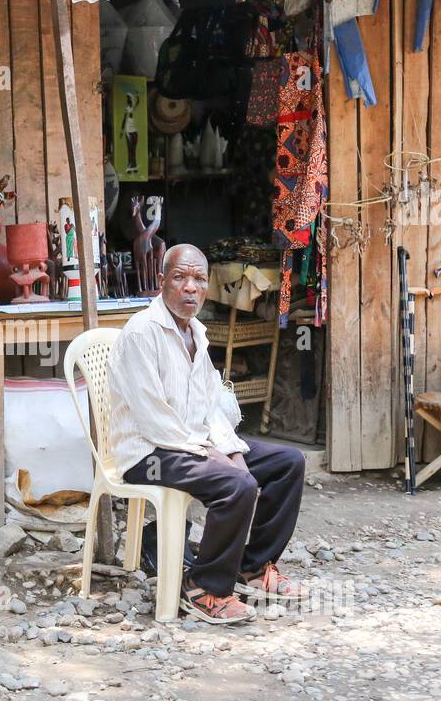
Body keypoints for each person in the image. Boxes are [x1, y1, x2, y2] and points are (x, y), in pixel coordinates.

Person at [107, 243, 307, 624]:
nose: (191, 288)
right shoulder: (141, 333)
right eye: (180, 277)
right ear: (161, 282)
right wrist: (210, 454)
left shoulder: (197, 332)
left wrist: (229, 449)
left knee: (288, 463)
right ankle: (204, 588)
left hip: (189, 442)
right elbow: (153, 419)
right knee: (238, 486)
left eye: (199, 279)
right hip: (148, 454)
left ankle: (253, 567)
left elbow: (210, 403)